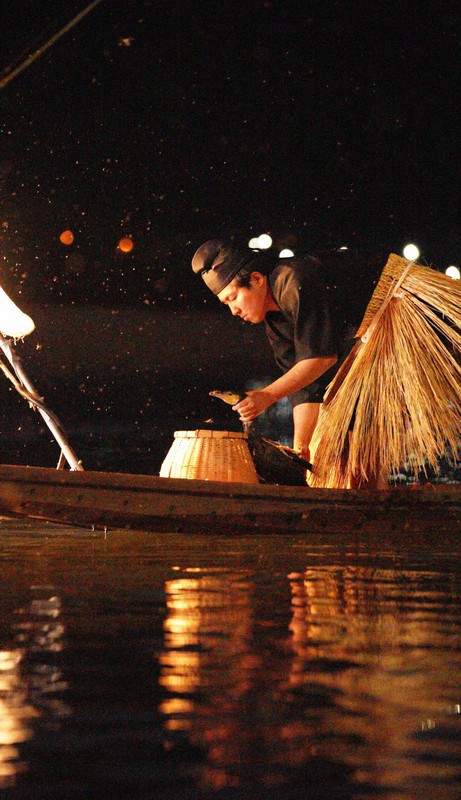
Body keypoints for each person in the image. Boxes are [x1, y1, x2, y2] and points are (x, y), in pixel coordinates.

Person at [191, 238, 383, 463]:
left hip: (392, 311)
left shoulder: (293, 278)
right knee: (347, 447)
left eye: (233, 298)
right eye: (226, 304)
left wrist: (266, 396)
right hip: (360, 344)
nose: (233, 310)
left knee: (360, 436)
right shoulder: (275, 324)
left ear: (256, 279)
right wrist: (301, 450)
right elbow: (305, 387)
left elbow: (322, 358)